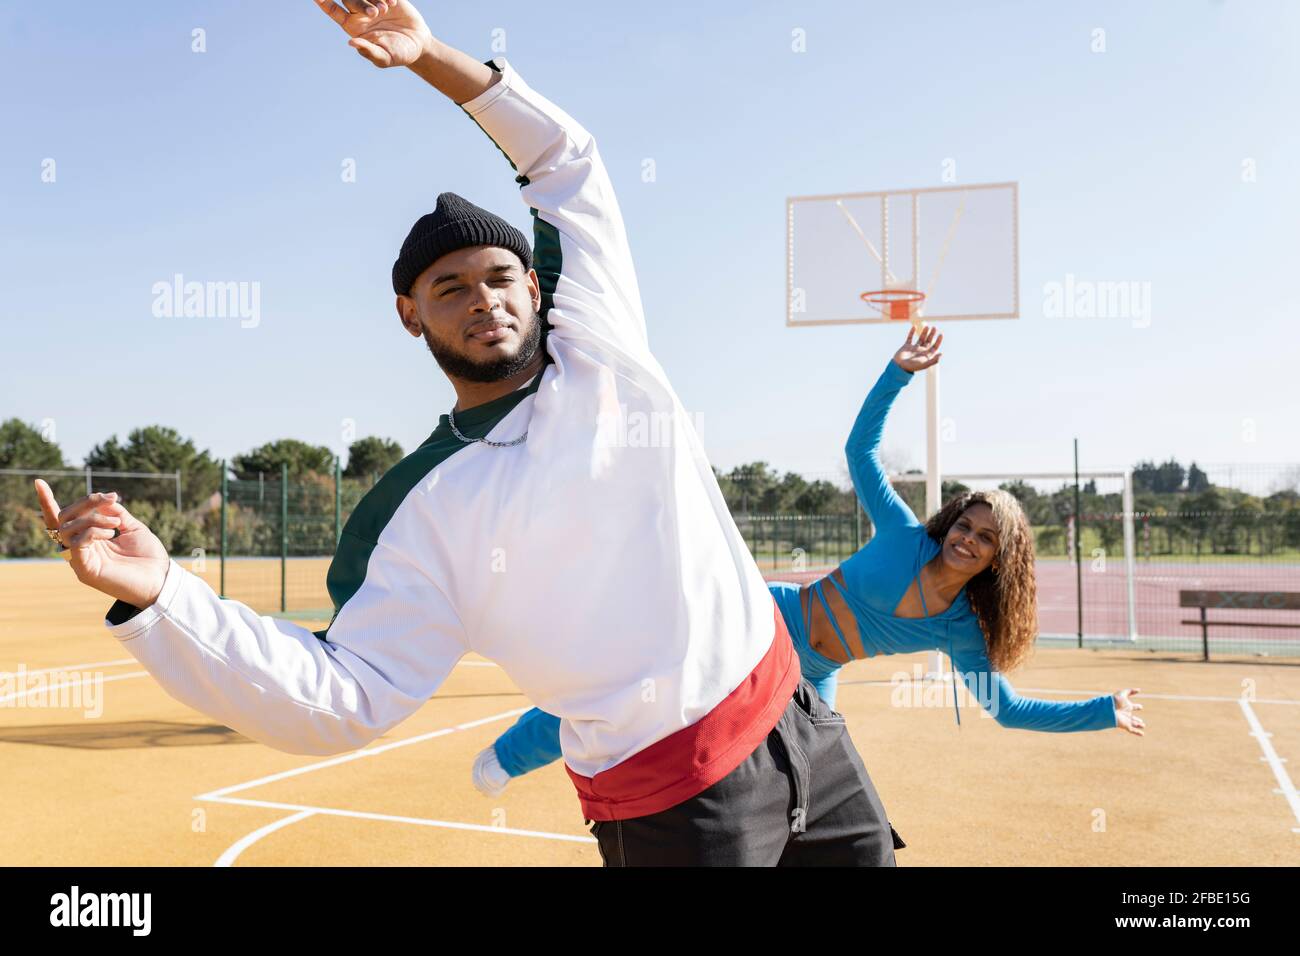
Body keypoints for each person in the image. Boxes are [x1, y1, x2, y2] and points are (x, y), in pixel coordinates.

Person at [32, 0, 901, 867]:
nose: (482, 298)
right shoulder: (418, 507)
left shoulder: (601, 344)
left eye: (497, 277)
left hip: (805, 728)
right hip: (680, 804)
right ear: (410, 316)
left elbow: (566, 161)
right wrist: (162, 596)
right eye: (449, 288)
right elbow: (344, 692)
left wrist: (429, 57)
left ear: (534, 284)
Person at [474, 326, 1146, 797]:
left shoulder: (959, 628)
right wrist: (897, 374)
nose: (966, 539)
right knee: (640, 684)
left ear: (1001, 560)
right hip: (761, 615)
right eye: (964, 525)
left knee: (821, 779)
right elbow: (860, 452)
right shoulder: (904, 534)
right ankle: (509, 755)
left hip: (810, 672)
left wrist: (1101, 711)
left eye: (984, 539)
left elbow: (1007, 708)